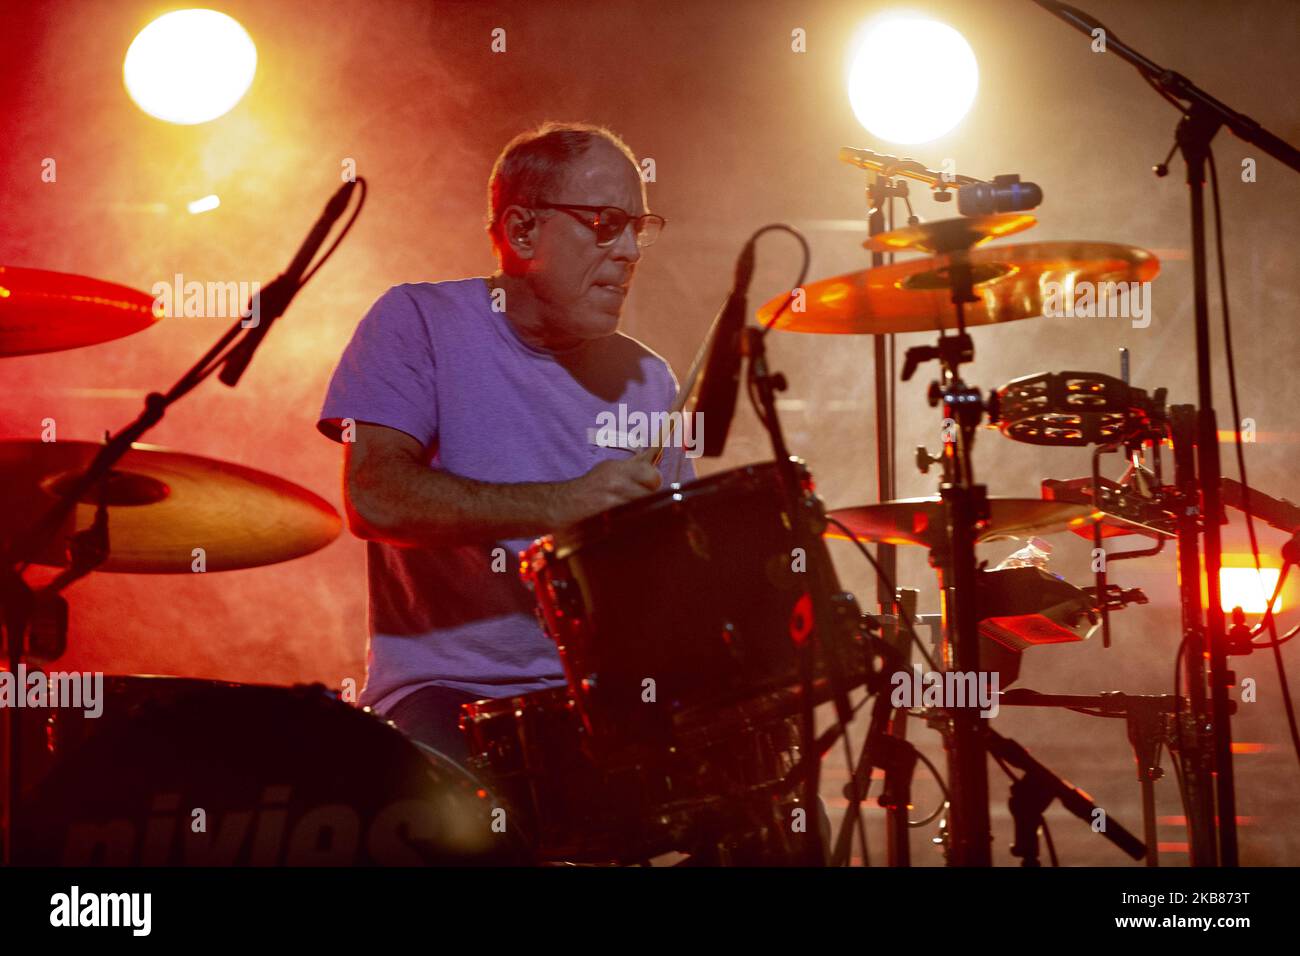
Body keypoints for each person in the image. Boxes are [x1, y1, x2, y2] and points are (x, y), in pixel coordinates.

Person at [317, 122, 692, 762]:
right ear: (522, 232)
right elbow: (374, 498)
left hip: (603, 696)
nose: (630, 250)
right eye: (605, 223)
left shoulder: (649, 378)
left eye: (638, 227)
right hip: (446, 697)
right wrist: (561, 505)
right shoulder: (415, 322)